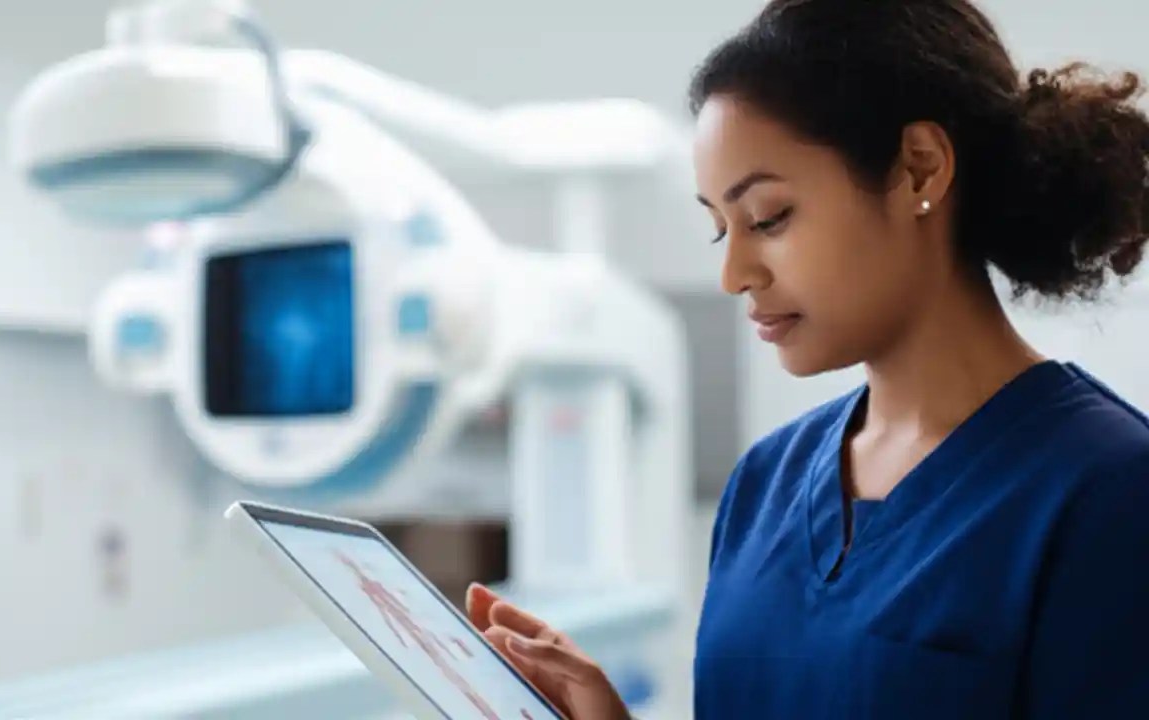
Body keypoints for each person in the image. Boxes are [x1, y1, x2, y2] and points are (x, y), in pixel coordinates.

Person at [466, 0, 1149, 717]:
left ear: (920, 169)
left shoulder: (1107, 491)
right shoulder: (765, 482)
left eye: (769, 218)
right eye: (719, 229)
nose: (734, 274)